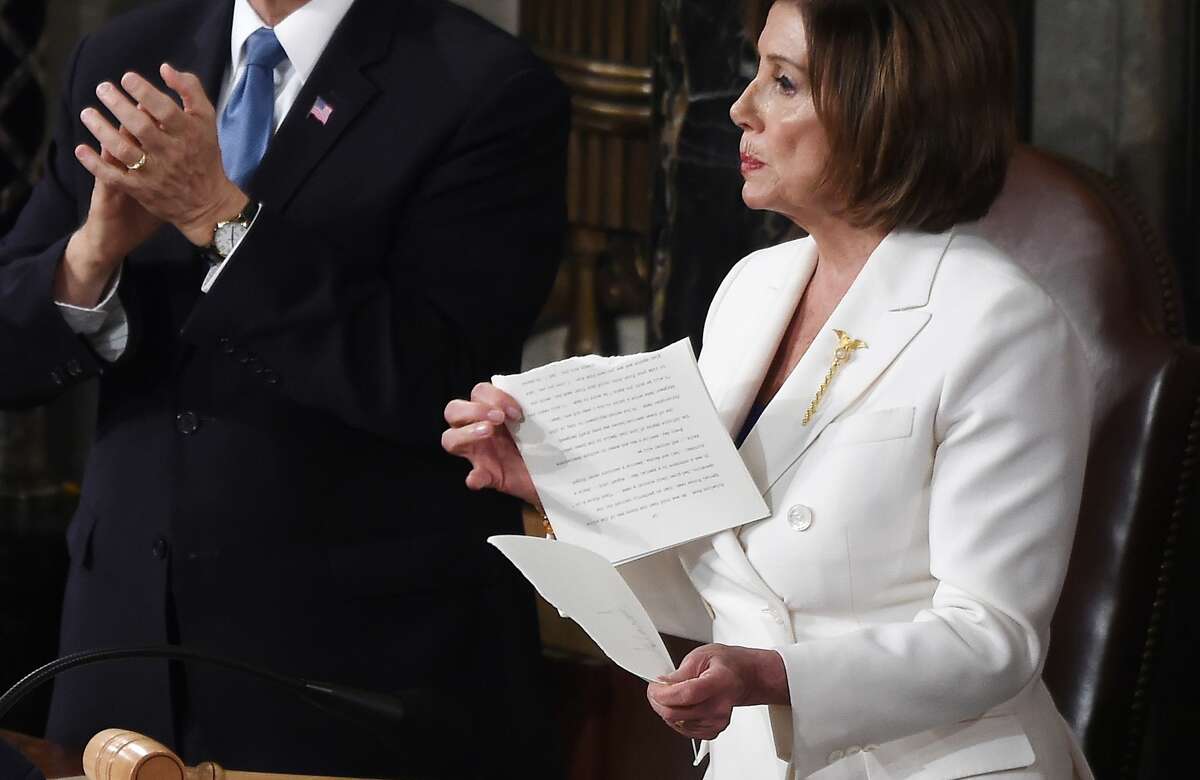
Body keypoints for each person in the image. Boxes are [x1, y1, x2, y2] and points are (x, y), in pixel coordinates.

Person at [442, 0, 1095, 778]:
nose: (741, 108)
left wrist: (774, 677)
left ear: (882, 108)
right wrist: (557, 489)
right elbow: (722, 596)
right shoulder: (754, 287)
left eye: (783, 82)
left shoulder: (1003, 323)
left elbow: (993, 637)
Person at [0, 0, 568, 777]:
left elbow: (436, 378)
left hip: (347, 672)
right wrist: (89, 258)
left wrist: (219, 218)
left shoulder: (486, 84)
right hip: (120, 656)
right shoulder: (126, 53)